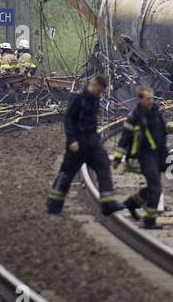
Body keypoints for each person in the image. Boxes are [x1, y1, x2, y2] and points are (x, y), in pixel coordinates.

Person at [46, 75, 122, 215]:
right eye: (99, 90)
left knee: (103, 165)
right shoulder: (78, 98)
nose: (100, 94)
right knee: (67, 173)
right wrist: (71, 140)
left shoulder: (95, 100)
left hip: (92, 142)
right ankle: (54, 205)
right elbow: (68, 120)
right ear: (94, 85)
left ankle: (108, 203)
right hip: (78, 143)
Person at [112, 85, 173, 229]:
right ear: (140, 99)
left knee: (151, 187)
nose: (151, 101)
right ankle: (149, 221)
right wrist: (118, 158)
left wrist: (172, 127)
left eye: (152, 98)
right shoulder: (134, 116)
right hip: (144, 155)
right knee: (156, 187)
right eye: (148, 99)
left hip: (158, 154)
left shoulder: (154, 110)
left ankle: (131, 203)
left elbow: (161, 127)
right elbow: (125, 137)